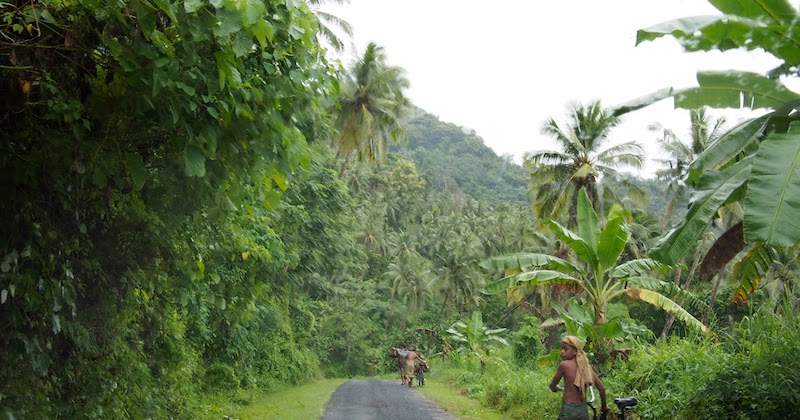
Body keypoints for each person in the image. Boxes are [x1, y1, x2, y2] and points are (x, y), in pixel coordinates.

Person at [549, 336, 608, 420]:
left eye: (565, 349)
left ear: (575, 351)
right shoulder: (587, 368)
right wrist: (604, 406)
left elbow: (552, 385)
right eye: (562, 349)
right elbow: (601, 388)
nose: (562, 352)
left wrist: (556, 388)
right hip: (583, 411)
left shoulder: (564, 365)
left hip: (568, 410)